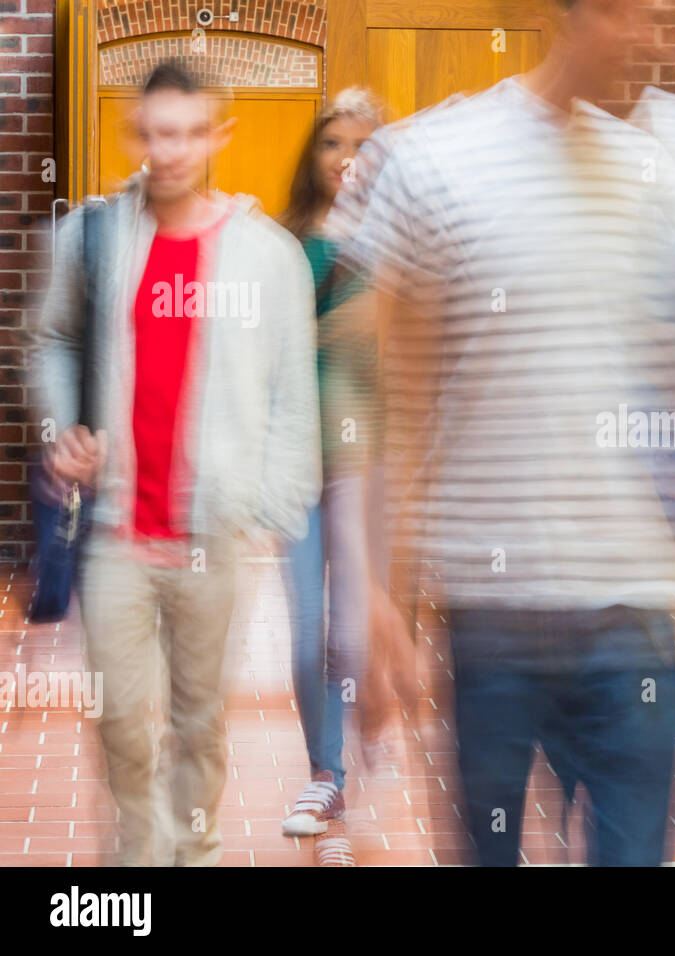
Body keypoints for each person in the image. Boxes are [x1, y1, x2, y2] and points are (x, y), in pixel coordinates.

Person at [328, 0, 675, 865]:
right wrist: (382, 599)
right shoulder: (438, 161)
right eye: (638, 15)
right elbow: (387, 396)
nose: (659, 37)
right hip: (495, 617)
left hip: (635, 616)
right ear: (569, 12)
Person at [31, 60, 320, 866]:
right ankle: (137, 871)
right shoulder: (90, 238)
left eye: (192, 133)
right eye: (159, 133)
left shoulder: (270, 261)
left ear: (219, 134)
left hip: (216, 533)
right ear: (137, 134)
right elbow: (51, 340)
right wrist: (63, 427)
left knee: (200, 723)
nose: (173, 152)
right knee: (121, 720)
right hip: (118, 529)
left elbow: (296, 403)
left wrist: (271, 515)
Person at [275, 88, 387, 855]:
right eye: (331, 144)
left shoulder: (388, 246)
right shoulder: (280, 244)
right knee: (306, 624)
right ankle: (326, 767)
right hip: (294, 455)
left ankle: (348, 754)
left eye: (359, 145)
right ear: (311, 156)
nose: (344, 158)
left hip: (359, 458)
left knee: (352, 629)